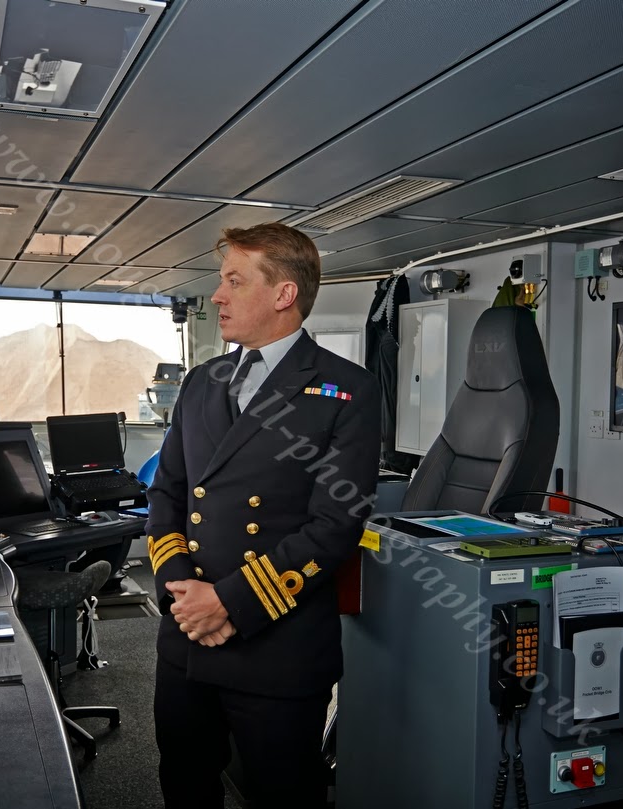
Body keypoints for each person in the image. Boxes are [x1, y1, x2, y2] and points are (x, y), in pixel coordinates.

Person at [146, 222, 381, 809]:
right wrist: (185, 596)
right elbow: (168, 495)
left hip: (276, 647)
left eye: (233, 280)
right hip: (187, 639)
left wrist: (226, 604)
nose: (217, 295)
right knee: (184, 782)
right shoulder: (202, 382)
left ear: (283, 295)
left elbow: (335, 527)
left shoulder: (347, 390)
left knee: (284, 794)